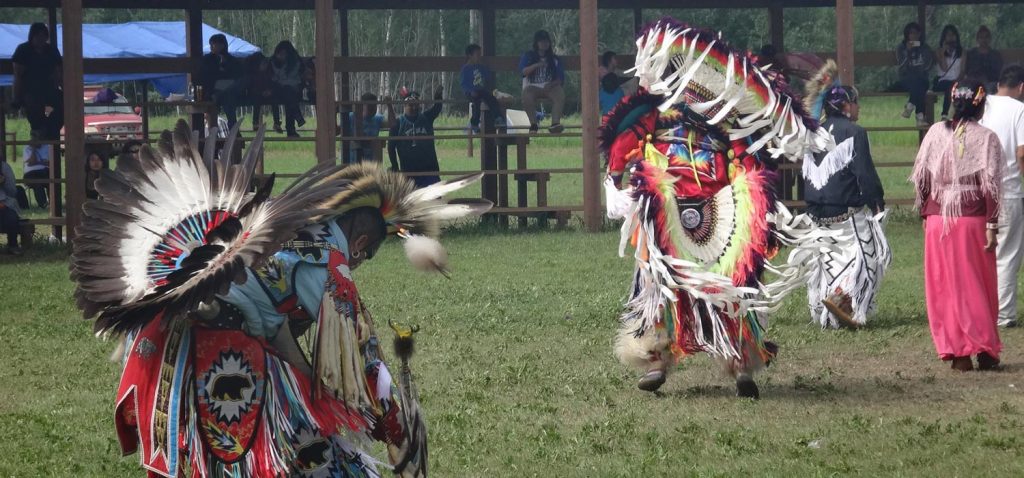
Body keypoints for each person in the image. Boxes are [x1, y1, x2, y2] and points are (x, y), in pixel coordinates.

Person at [70, 119, 490, 477]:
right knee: (304, 458)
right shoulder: (328, 261)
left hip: (167, 340)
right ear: (360, 242)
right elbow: (365, 360)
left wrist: (307, 383)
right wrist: (400, 425)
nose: (360, 262)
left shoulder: (291, 229)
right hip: (218, 356)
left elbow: (275, 327)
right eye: (366, 255)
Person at [602, 19, 834, 398]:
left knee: (734, 285)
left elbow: (747, 159)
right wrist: (616, 177)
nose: (693, 90)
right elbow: (624, 140)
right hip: (667, 207)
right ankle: (657, 359)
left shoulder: (726, 124)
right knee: (661, 284)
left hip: (720, 210)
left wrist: (750, 191)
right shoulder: (655, 113)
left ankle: (741, 363)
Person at [912, 79, 1004, 372]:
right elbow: (991, 185)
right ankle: (985, 349)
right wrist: (992, 224)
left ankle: (958, 354)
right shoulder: (986, 138)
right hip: (972, 221)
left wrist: (927, 215)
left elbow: (922, 179)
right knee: (977, 285)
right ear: (980, 105)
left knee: (945, 286)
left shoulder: (935, 132)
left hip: (939, 221)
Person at [802, 60, 891, 329]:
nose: (859, 108)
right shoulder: (854, 132)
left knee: (828, 259)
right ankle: (845, 299)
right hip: (847, 215)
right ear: (845, 106)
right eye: (856, 103)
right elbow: (865, 173)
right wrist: (877, 203)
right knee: (872, 256)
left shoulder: (812, 132)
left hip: (816, 215)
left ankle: (830, 307)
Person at [980, 66, 1024, 328]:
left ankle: (981, 307)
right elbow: (1021, 153)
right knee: (1006, 254)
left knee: (982, 252)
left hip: (979, 191)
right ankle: (1004, 313)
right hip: (1008, 191)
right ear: (1021, 87)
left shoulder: (982, 104)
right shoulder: (1019, 110)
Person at [11, 23, 63, 141]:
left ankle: (50, 131)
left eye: (43, 35)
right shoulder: (23, 50)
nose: (41, 39)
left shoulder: (52, 50)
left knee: (61, 104)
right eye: (37, 36)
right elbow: (18, 75)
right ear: (32, 36)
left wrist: (65, 91)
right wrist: (16, 97)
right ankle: (37, 130)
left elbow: (58, 73)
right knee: (34, 105)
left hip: (49, 89)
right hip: (29, 90)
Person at [388, 87, 444, 188]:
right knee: (412, 201)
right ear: (404, 106)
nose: (414, 108)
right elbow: (391, 147)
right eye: (411, 105)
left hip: (429, 169)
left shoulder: (426, 117)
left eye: (416, 105)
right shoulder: (398, 124)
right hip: (409, 171)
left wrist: (438, 96)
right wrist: (395, 166)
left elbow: (437, 108)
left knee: (434, 200)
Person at [519, 30, 566, 134]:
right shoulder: (528, 56)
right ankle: (533, 125)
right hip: (532, 87)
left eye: (546, 41)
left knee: (560, 93)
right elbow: (523, 72)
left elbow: (560, 79)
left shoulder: (554, 59)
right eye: (541, 41)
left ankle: (555, 124)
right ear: (536, 43)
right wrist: (536, 65)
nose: (544, 43)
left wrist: (551, 84)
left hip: (549, 87)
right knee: (526, 95)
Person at [199, 33, 243, 129]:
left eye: (213, 44)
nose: (211, 47)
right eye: (211, 44)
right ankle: (233, 129)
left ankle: (233, 128)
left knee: (228, 94)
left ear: (222, 45)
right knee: (227, 96)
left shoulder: (231, 60)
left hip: (227, 91)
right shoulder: (208, 59)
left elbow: (235, 76)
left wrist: (224, 66)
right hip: (212, 89)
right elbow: (207, 77)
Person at [896, 22, 934, 126]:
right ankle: (919, 116)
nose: (913, 36)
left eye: (916, 33)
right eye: (911, 33)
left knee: (920, 83)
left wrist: (919, 72)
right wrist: (908, 51)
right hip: (906, 79)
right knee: (918, 84)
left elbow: (928, 65)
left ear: (919, 34)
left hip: (921, 79)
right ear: (907, 35)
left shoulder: (925, 48)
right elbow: (901, 65)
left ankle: (910, 105)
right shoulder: (901, 47)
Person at [460, 44, 503, 133]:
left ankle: (498, 117)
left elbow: (487, 78)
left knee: (491, 98)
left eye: (480, 54)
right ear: (470, 56)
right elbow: (464, 83)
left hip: (481, 90)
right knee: (477, 102)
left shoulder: (481, 67)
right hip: (470, 91)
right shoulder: (466, 69)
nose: (479, 57)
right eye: (477, 54)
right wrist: (471, 91)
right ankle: (474, 124)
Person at [271, 40, 305, 137]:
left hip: (294, 90)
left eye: (283, 53)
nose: (281, 56)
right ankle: (294, 124)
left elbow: (293, 79)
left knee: (289, 94)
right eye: (280, 53)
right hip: (280, 92)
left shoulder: (295, 63)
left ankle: (292, 126)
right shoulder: (273, 62)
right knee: (289, 96)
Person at [933, 25, 964, 120]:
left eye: (953, 35)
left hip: (957, 80)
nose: (951, 37)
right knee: (950, 86)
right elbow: (944, 68)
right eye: (948, 35)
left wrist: (958, 80)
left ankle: (960, 115)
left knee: (957, 87)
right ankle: (944, 114)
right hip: (943, 80)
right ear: (944, 37)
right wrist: (943, 52)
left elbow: (963, 70)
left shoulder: (962, 52)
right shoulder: (939, 51)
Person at [244, 52, 281, 132]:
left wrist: (270, 91)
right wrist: (261, 92)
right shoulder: (252, 74)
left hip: (268, 93)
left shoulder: (269, 71)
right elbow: (251, 87)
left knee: (275, 101)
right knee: (257, 101)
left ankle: (277, 123)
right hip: (256, 94)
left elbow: (274, 83)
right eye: (263, 64)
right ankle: (255, 123)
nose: (265, 66)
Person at [348, 92, 387, 164]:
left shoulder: (378, 118)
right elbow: (336, 131)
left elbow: (392, 124)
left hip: (371, 164)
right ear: (362, 106)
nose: (373, 108)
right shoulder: (351, 117)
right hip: (354, 163)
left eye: (375, 106)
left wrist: (389, 105)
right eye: (370, 106)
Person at [965, 26, 1003, 92]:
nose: (984, 40)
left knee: (989, 88)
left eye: (986, 37)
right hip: (974, 82)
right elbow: (968, 71)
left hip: (991, 82)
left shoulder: (995, 54)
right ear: (977, 39)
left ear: (990, 39)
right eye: (981, 37)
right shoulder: (971, 54)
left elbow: (998, 72)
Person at [22, 130, 50, 208]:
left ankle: (53, 203)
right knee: (37, 183)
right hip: (30, 173)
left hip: (44, 171)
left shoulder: (47, 147)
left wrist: (37, 162)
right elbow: (31, 163)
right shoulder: (27, 148)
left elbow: (49, 163)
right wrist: (33, 149)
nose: (35, 140)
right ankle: (43, 205)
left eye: (37, 137)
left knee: (52, 180)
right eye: (33, 137)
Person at [0, 155, 22, 255]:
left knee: (11, 216)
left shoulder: (4, 167)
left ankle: (13, 245)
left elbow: (12, 192)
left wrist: (4, 182)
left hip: (3, 202)